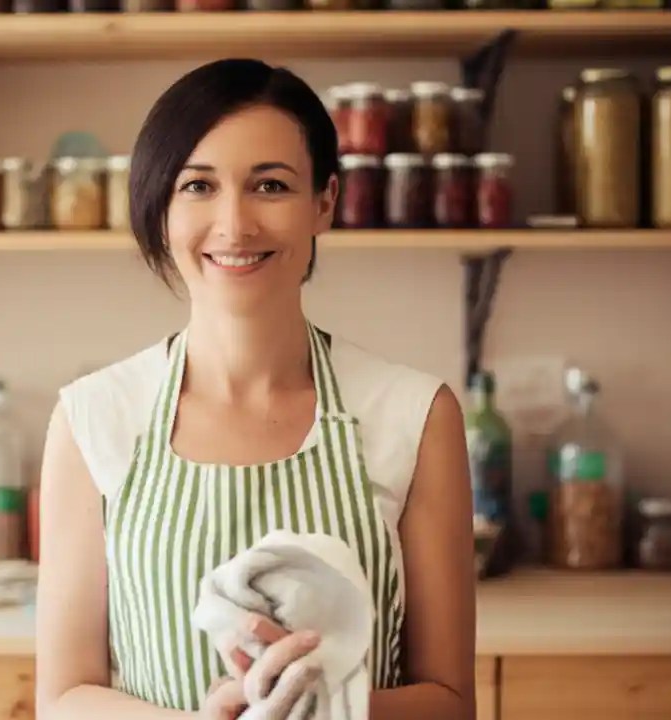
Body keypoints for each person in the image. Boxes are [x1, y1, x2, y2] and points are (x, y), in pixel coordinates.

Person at [35, 58, 476, 720]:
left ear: (324, 202)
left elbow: (450, 703)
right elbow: (64, 699)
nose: (234, 225)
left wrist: (323, 707)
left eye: (270, 185)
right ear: (161, 207)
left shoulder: (413, 416)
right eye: (198, 186)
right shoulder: (93, 418)